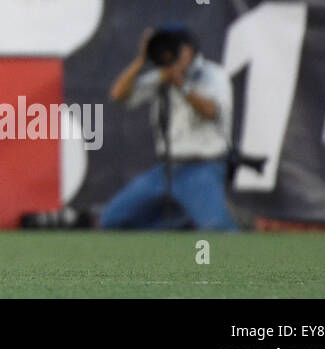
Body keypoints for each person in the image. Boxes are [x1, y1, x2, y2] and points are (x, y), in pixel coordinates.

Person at [102, 26, 238, 230]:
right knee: (113, 220)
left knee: (217, 228)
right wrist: (142, 59)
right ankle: (180, 225)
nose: (167, 54)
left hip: (202, 167)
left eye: (173, 48)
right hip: (165, 169)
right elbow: (118, 95)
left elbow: (211, 112)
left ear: (189, 50)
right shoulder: (161, 77)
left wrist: (180, 84)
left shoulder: (211, 74)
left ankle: (188, 221)